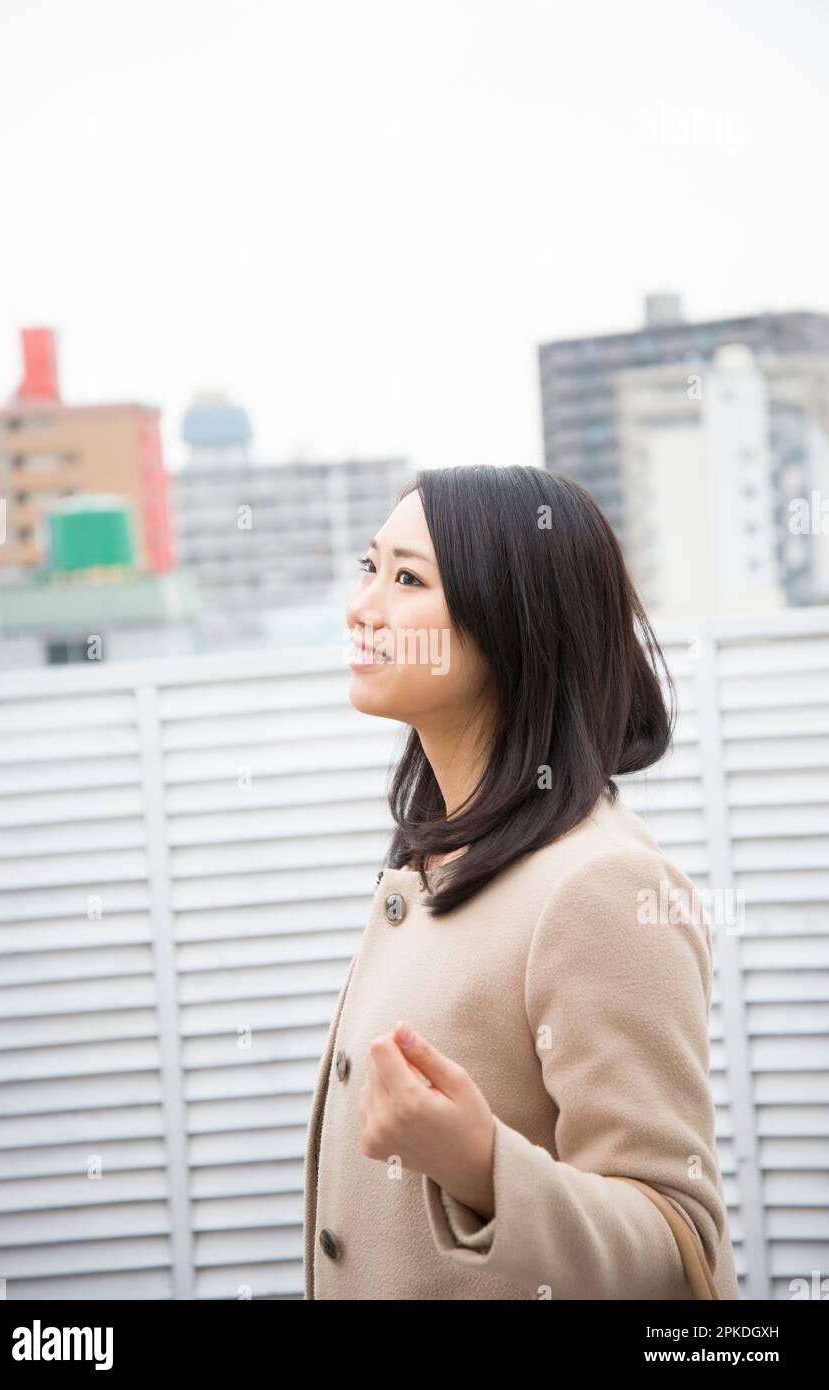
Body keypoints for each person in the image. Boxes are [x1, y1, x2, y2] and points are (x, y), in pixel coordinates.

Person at [303, 464, 740, 1300]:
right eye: (370, 567)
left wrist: (480, 1168)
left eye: (407, 579)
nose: (362, 607)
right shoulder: (439, 862)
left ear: (511, 623)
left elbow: (678, 1242)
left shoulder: (600, 887)